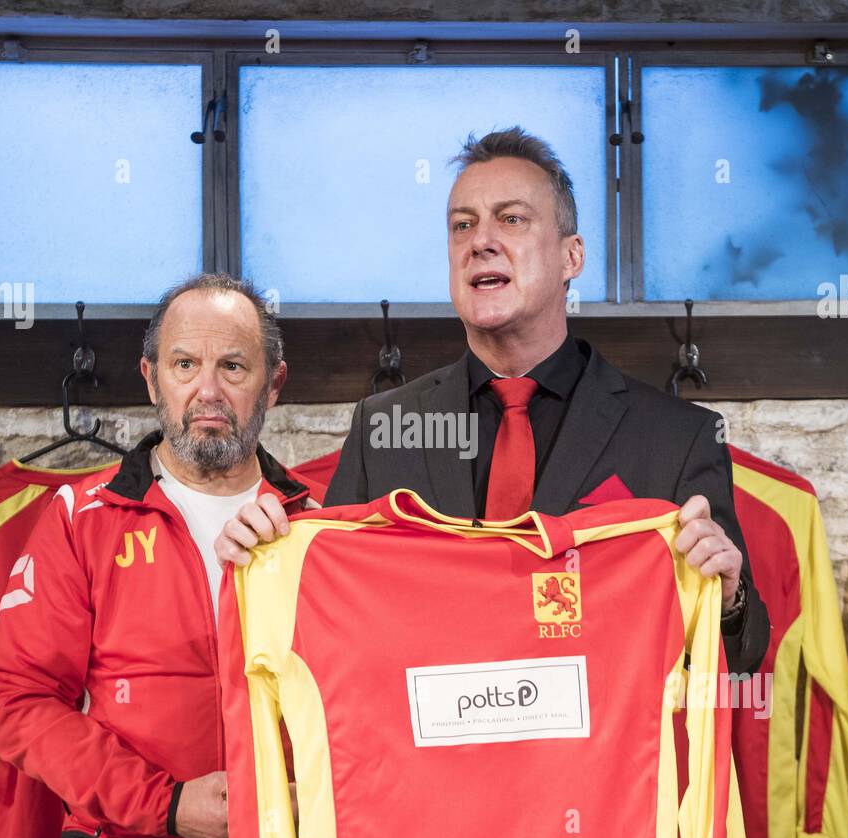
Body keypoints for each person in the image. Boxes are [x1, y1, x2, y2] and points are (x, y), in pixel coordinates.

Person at [216, 127, 768, 675]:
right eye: (463, 225)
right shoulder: (384, 427)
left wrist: (728, 600)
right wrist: (277, 555)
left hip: (603, 735)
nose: (480, 241)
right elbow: (329, 626)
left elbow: (739, 661)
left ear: (571, 256)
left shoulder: (677, 437)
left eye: (512, 219)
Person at [0, 274, 319, 838]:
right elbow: (19, 700)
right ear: (151, 378)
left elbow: (364, 699)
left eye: (233, 367)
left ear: (273, 385)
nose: (207, 391)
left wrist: (315, 792)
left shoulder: (318, 525)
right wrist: (167, 805)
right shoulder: (82, 517)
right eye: (185, 365)